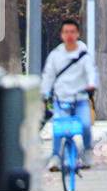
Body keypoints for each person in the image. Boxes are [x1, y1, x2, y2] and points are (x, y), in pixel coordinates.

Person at [40, 18, 98, 170]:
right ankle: (55, 158)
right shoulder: (55, 55)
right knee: (59, 128)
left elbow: (91, 71)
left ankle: (87, 152)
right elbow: (48, 76)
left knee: (85, 125)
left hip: (80, 99)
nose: (69, 35)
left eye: (72, 32)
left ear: (78, 34)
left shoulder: (84, 54)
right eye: (66, 32)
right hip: (61, 99)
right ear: (61, 35)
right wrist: (44, 94)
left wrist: (91, 84)